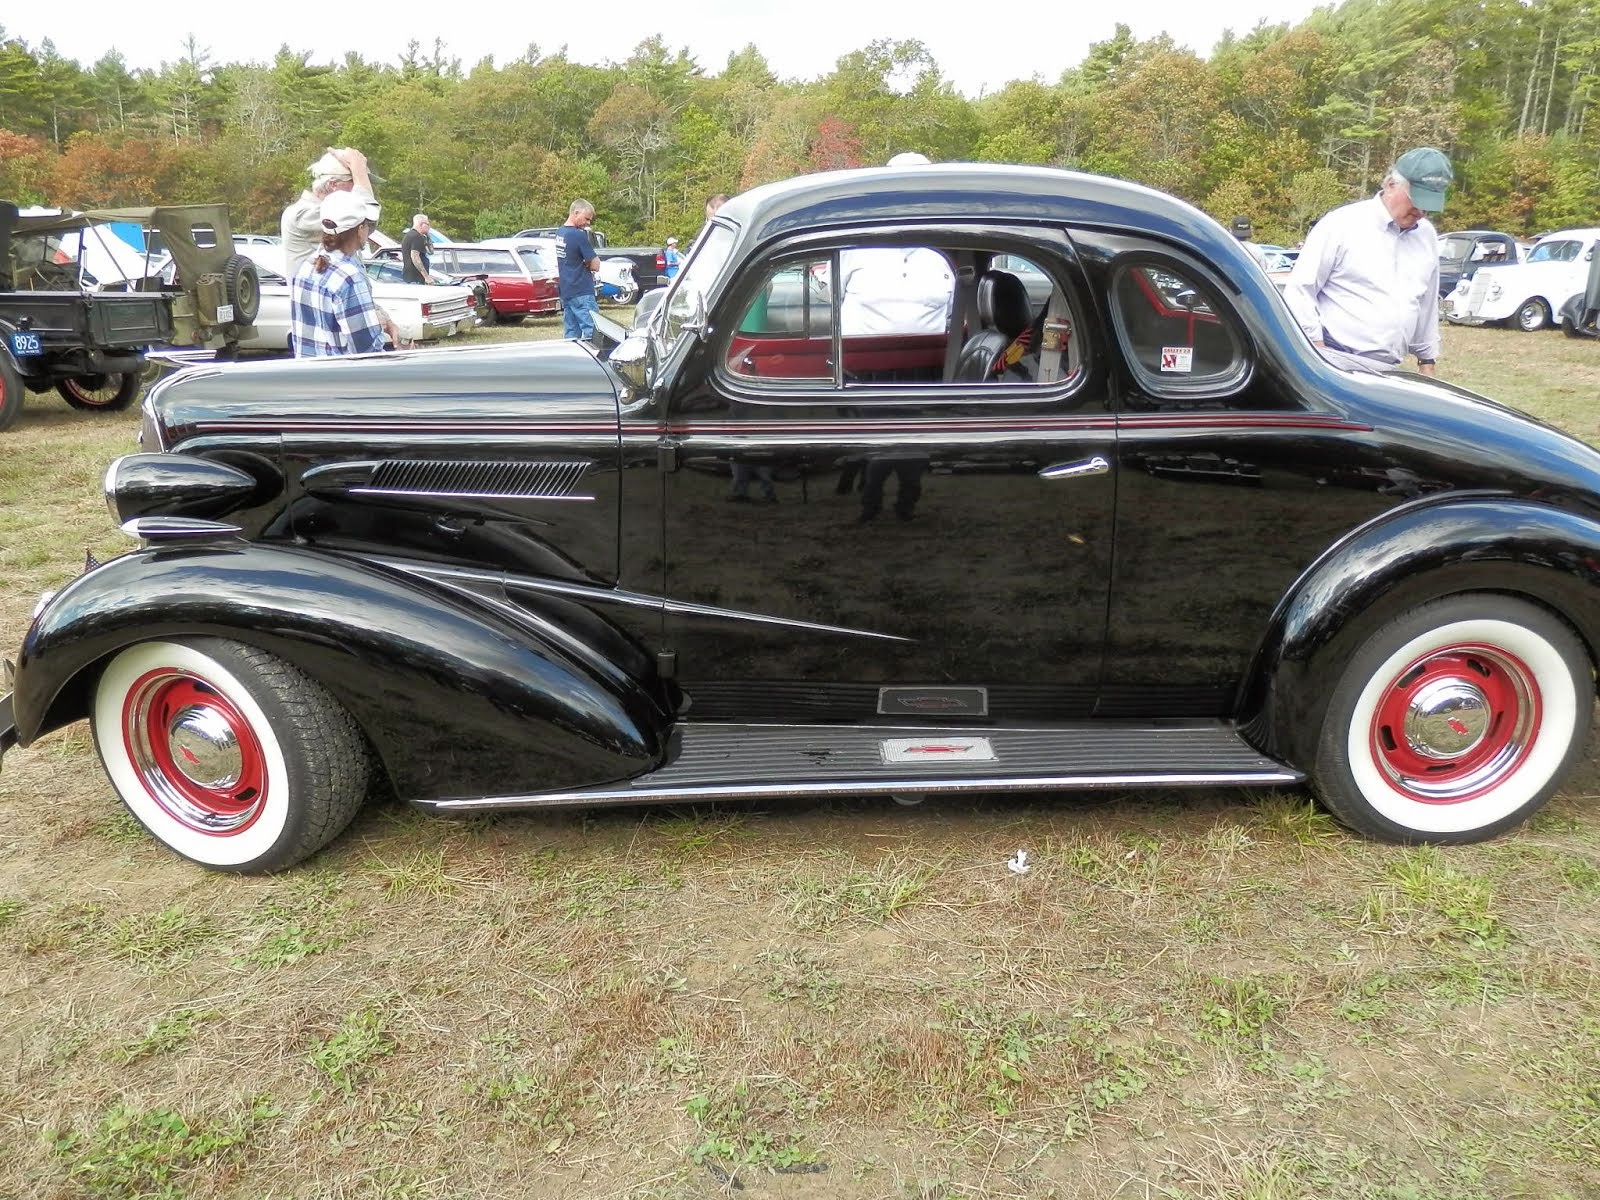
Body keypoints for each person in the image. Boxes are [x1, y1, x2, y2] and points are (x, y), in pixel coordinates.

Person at [1283, 147, 1454, 376]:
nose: (1421, 211)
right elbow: (1301, 290)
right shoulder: (1341, 224)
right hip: (1336, 361)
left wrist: (1427, 361)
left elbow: (1426, 303)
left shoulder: (1427, 235)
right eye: (1416, 200)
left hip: (1391, 369)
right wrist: (1317, 352)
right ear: (1391, 184)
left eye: (1429, 204)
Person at [837, 152, 953, 337]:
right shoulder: (853, 247)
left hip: (934, 363)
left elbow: (952, 311)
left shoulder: (946, 250)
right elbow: (835, 297)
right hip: (859, 362)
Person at [289, 190, 387, 358]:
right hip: (342, 380)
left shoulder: (306, 267)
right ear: (360, 229)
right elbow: (366, 351)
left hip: (308, 377)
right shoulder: (349, 278)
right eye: (367, 225)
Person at [282, 147, 378, 281]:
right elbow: (368, 219)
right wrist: (359, 170)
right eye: (353, 182)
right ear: (334, 184)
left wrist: (358, 170)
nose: (357, 187)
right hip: (328, 300)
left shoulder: (313, 212)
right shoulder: (302, 214)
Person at [555, 198, 601, 340]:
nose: (588, 223)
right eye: (586, 219)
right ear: (576, 213)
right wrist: (587, 262)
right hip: (581, 290)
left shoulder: (560, 233)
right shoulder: (578, 235)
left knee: (571, 333)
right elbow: (595, 265)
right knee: (592, 332)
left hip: (567, 290)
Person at [401, 214, 433, 284]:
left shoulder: (411, 235)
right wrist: (426, 277)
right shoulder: (416, 237)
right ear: (421, 224)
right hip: (415, 278)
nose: (429, 226)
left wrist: (428, 236)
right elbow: (415, 257)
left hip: (411, 277)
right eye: (427, 224)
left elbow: (431, 252)